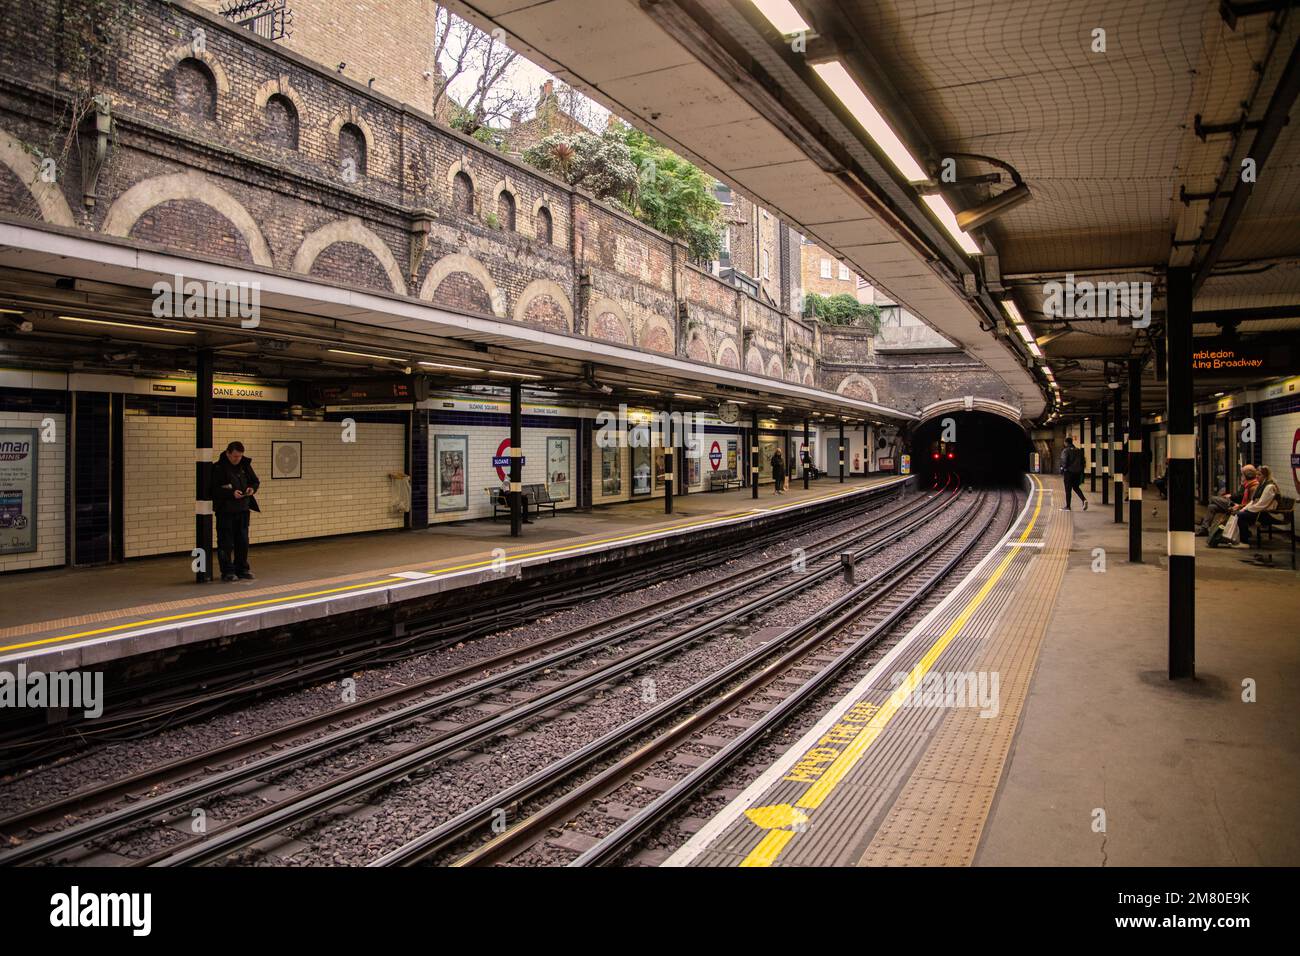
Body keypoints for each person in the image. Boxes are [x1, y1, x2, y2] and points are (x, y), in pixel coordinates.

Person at [210, 441, 260, 582]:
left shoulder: (245, 465)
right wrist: (231, 493)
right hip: (225, 511)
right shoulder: (218, 468)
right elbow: (213, 490)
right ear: (227, 453)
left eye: (239, 456)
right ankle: (227, 571)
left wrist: (252, 489)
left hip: (243, 509)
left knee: (242, 541)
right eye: (234, 456)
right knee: (226, 542)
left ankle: (242, 568)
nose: (237, 459)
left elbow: (255, 481)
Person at [1196, 464, 1257, 535]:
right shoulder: (1246, 484)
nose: (1241, 476)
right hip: (1236, 504)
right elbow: (1239, 495)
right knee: (1212, 507)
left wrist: (1231, 498)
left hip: (1237, 506)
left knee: (1212, 498)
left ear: (1247, 475)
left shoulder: (1253, 486)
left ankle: (1227, 505)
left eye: (1242, 474)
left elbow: (1249, 502)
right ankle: (1204, 528)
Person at [1230, 465, 1278, 548]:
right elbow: (1253, 501)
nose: (1257, 477)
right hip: (1259, 511)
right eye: (1257, 474)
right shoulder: (1261, 485)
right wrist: (1244, 508)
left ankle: (1244, 542)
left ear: (1265, 476)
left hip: (1266, 513)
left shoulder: (1269, 487)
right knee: (1239, 514)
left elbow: (1262, 503)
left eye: (1259, 475)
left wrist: (1247, 510)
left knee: (1240, 516)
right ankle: (1236, 539)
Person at [1058, 436, 1088, 511]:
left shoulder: (1066, 451)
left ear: (1066, 443)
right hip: (1077, 473)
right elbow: (1083, 461)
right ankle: (1084, 500)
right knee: (1076, 487)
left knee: (1068, 490)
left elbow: (1064, 461)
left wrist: (1062, 469)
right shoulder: (1078, 450)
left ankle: (1068, 506)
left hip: (1069, 473)